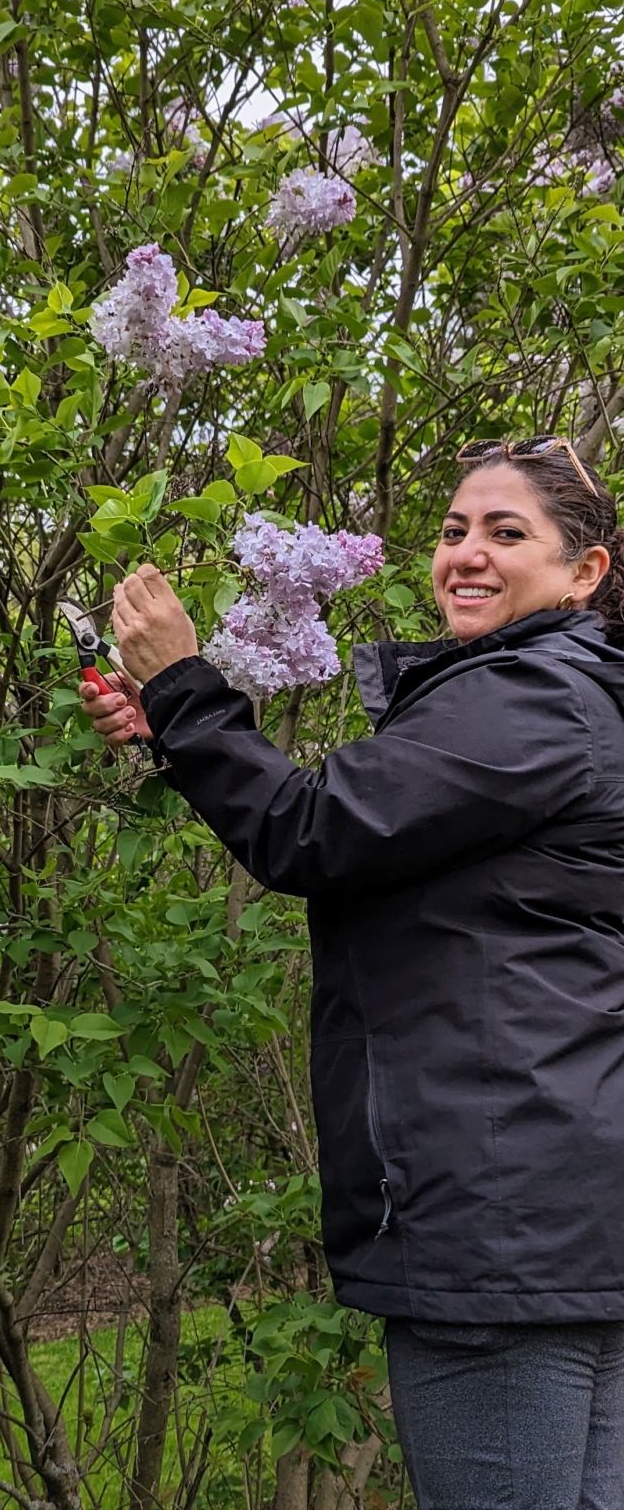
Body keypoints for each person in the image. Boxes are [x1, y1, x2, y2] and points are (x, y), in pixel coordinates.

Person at [80, 439, 624, 1510]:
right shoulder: (572, 697)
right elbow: (377, 833)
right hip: (555, 1210)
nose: (466, 554)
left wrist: (183, 684)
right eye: (453, 531)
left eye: (505, 533)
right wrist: (176, 734)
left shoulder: (528, 697)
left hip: (495, 1220)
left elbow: (309, 832)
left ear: (582, 572)